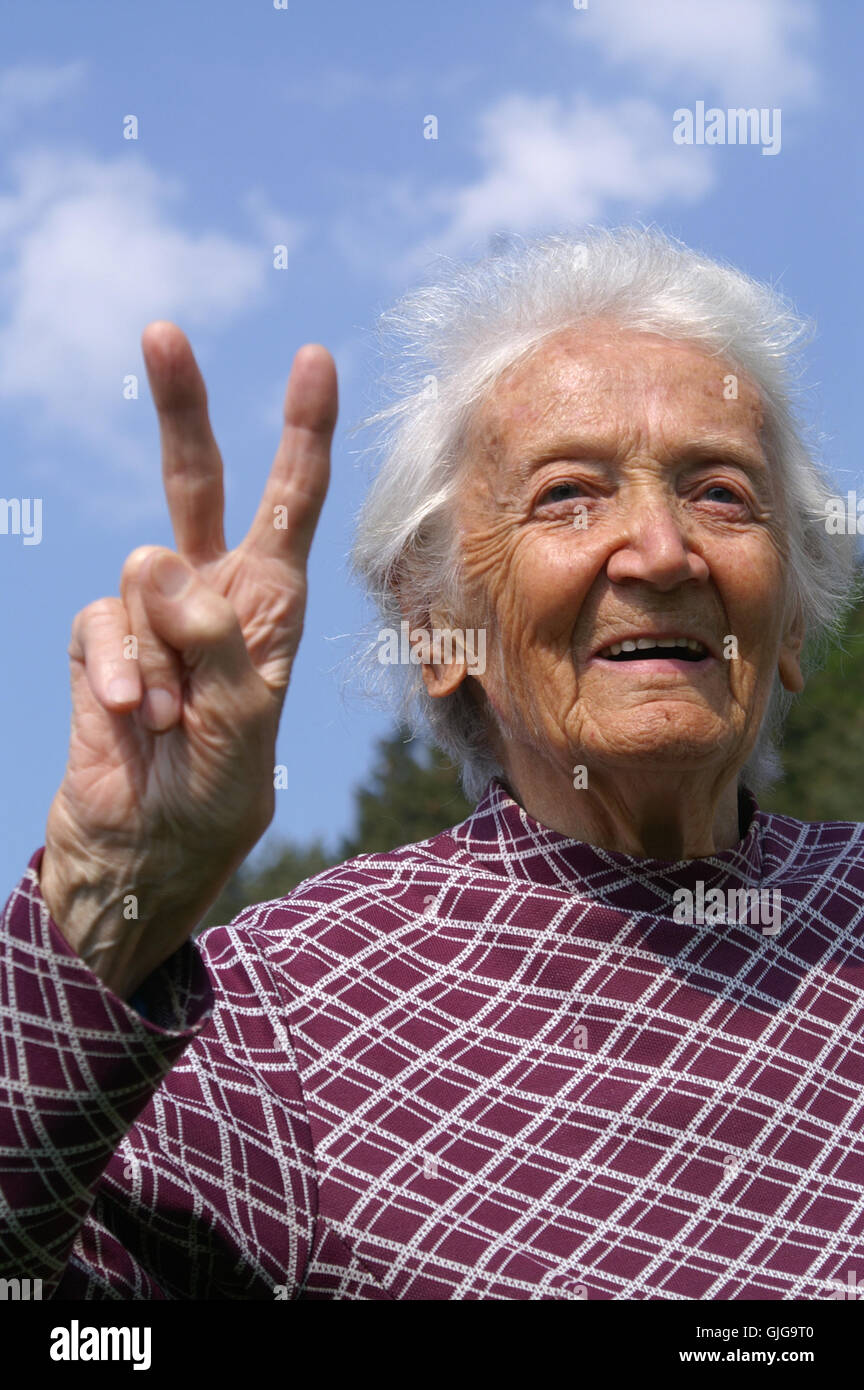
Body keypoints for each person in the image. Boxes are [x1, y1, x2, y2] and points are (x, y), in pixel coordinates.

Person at [1, 227, 862, 1300]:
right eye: (567, 494)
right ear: (437, 625)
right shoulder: (284, 1016)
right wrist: (105, 908)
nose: (662, 550)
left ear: (789, 622)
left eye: (722, 493)